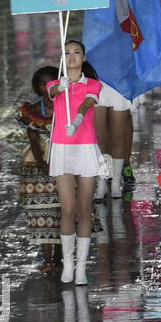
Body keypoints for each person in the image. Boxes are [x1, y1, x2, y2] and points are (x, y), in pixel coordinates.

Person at [46, 41, 108, 285]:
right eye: (67, 53)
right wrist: (60, 88)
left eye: (76, 53)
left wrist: (79, 118)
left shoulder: (93, 84)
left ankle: (81, 266)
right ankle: (68, 264)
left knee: (84, 209)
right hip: (62, 148)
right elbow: (50, 93)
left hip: (85, 148)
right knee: (67, 208)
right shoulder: (55, 84)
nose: (71, 57)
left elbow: (89, 102)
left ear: (83, 58)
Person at [17, 66, 63, 272]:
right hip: (38, 167)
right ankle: (48, 260)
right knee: (42, 213)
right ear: (37, 86)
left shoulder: (67, 106)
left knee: (63, 213)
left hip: (65, 163)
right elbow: (33, 139)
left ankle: (60, 257)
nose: (46, 88)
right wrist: (43, 164)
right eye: (42, 84)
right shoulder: (32, 111)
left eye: (50, 82)